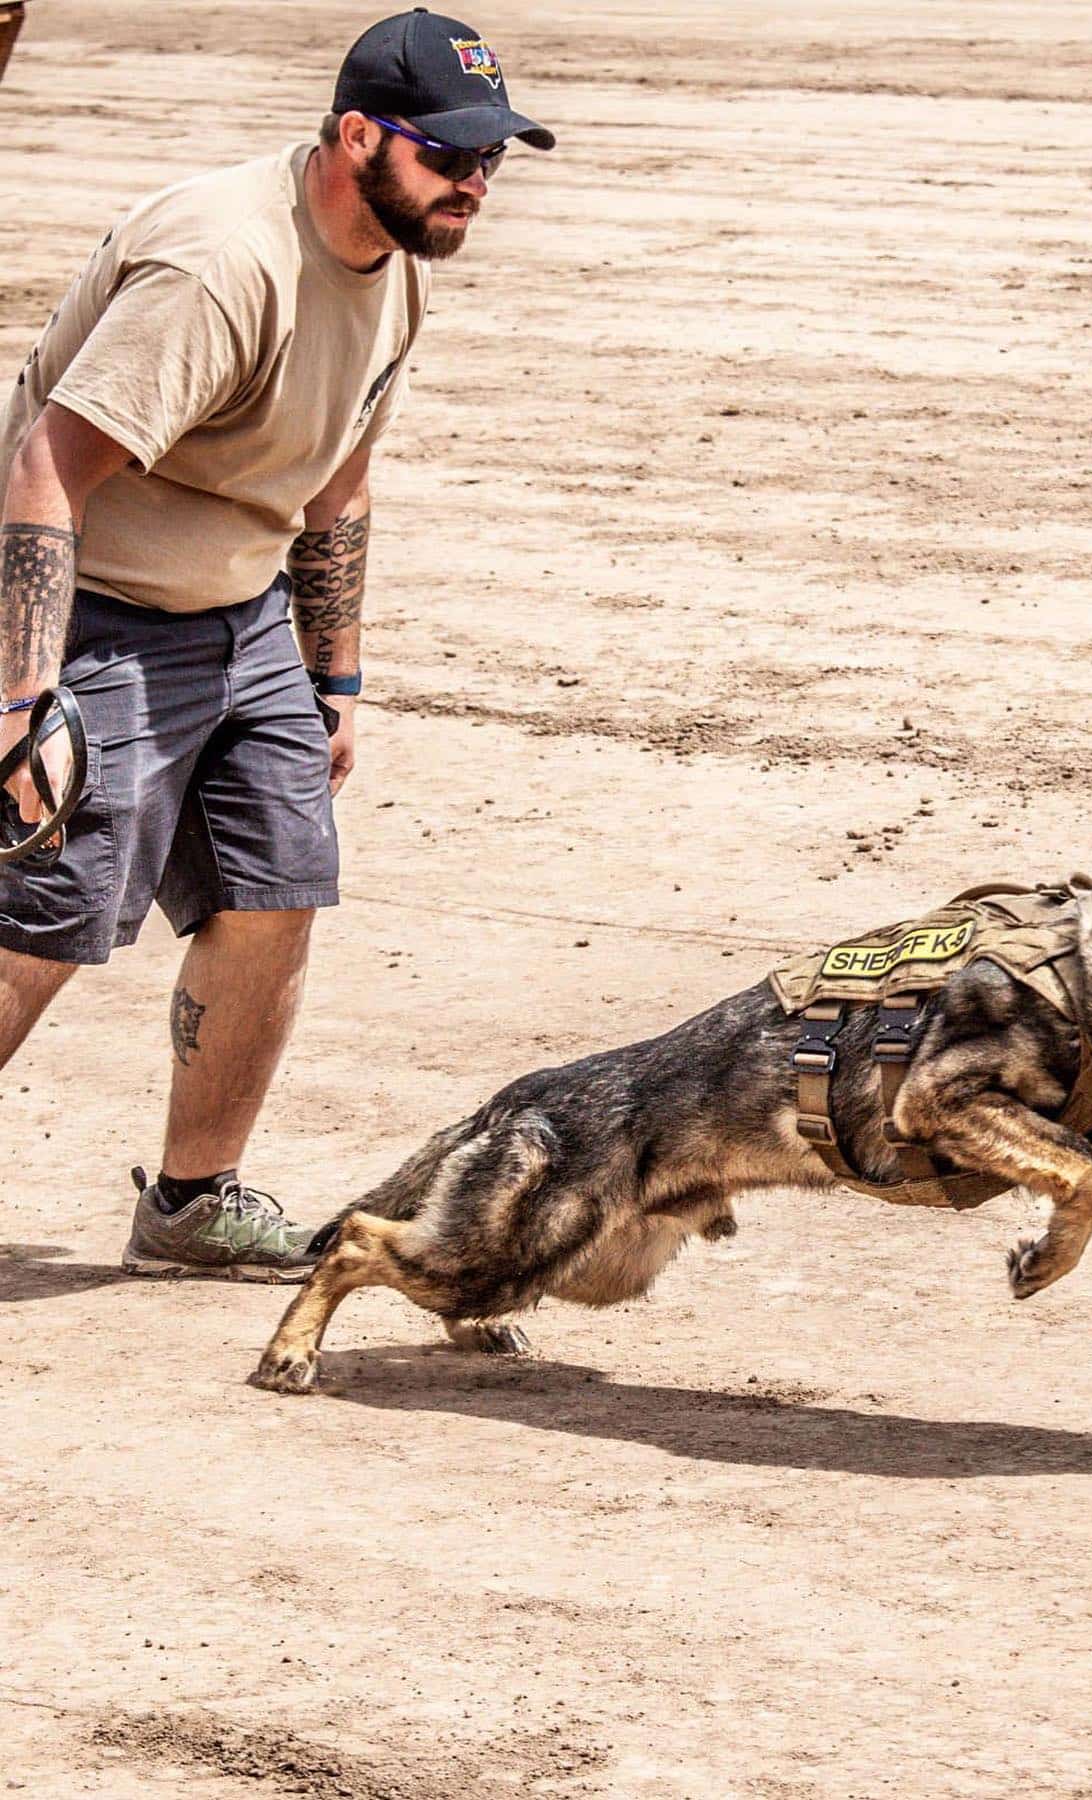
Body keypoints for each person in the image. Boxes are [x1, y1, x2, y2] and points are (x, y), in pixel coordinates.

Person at [0, 10, 554, 1278]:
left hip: (241, 610)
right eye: (449, 155)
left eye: (493, 159)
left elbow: (337, 485)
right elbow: (43, 467)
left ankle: (192, 1205)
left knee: (276, 889)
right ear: (357, 134)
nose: (474, 182)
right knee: (44, 918)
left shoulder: (399, 257)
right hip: (93, 607)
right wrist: (22, 698)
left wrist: (332, 677)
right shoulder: (220, 265)